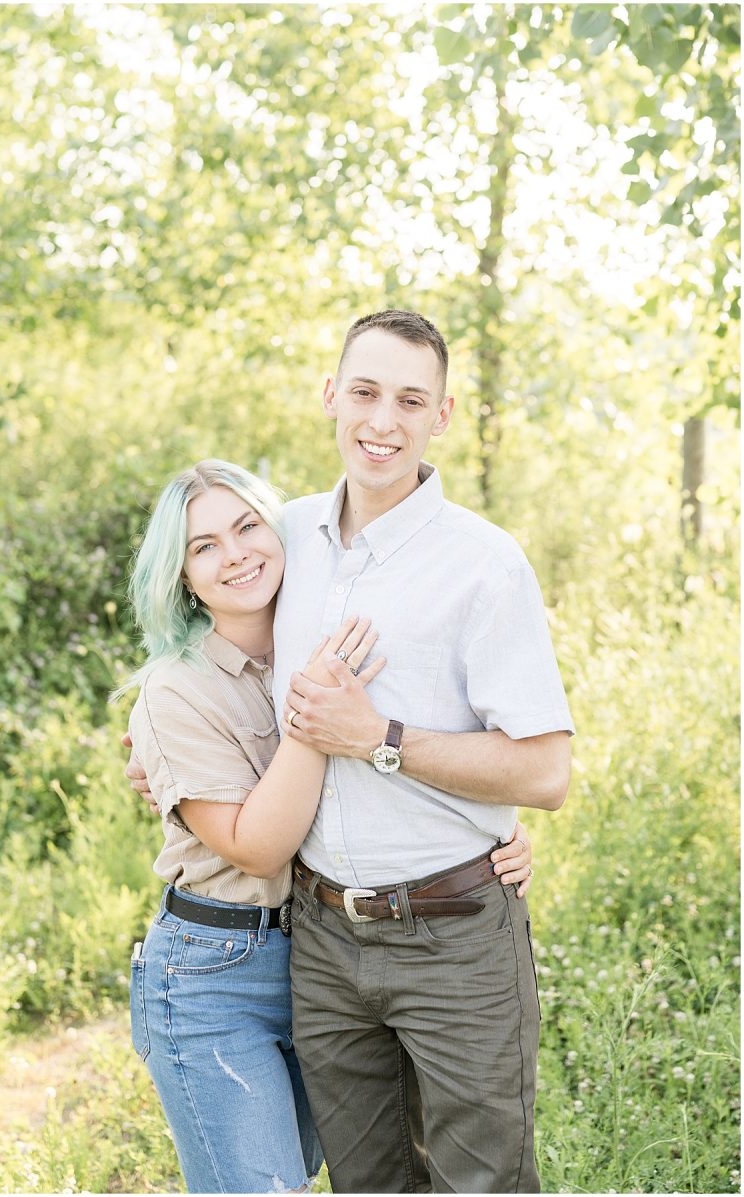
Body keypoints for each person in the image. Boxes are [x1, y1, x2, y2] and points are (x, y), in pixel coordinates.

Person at [121, 457, 536, 1195]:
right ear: (181, 574)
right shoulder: (180, 687)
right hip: (211, 968)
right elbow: (259, 845)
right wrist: (319, 717)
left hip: (313, 950)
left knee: (360, 1168)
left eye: (248, 526)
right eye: (203, 545)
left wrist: (486, 834)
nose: (236, 552)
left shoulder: (303, 642)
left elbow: (393, 768)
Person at [270, 309, 575, 1194]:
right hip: (321, 936)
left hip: (455, 938)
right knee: (366, 1184)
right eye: (364, 392)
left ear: (441, 416)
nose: (382, 421)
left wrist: (380, 738)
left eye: (411, 400)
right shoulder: (284, 539)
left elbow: (545, 771)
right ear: (331, 395)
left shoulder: (485, 565)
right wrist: (160, 748)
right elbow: (208, 644)